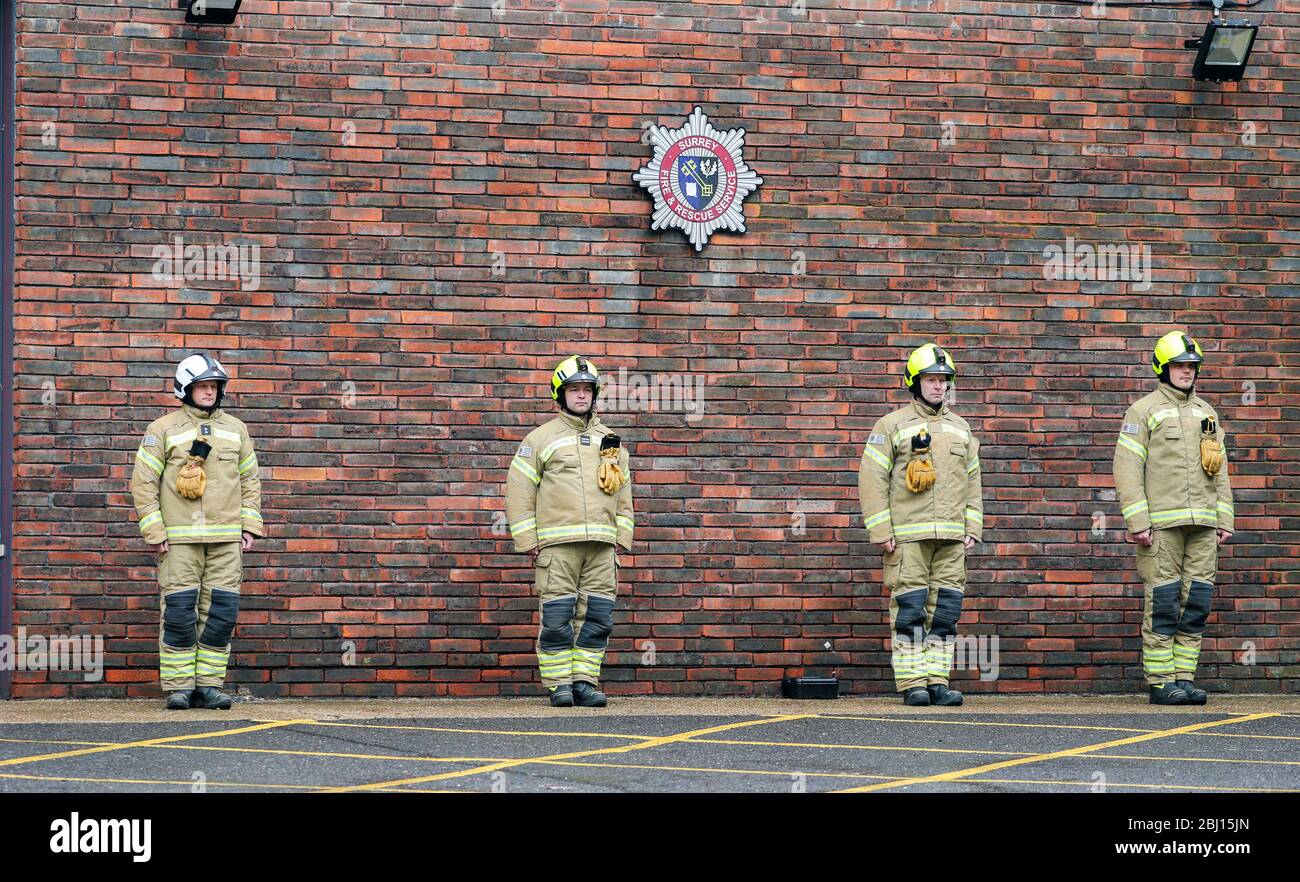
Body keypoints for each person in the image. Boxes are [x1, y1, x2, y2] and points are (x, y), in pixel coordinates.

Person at [130, 353, 264, 710]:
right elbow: (143, 483)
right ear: (185, 389)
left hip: (225, 540)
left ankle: (208, 686)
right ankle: (178, 687)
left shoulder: (236, 429)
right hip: (180, 540)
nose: (209, 391)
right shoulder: (163, 429)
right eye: (202, 386)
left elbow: (251, 481)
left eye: (214, 386)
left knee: (220, 614)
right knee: (179, 612)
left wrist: (250, 525)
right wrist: (155, 529)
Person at [858, 343, 983, 706]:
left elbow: (972, 480)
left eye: (943, 380)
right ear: (914, 381)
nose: (938, 386)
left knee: (945, 610)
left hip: (951, 536)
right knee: (911, 607)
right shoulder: (892, 425)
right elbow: (872, 479)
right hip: (908, 537)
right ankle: (913, 682)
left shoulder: (960, 428)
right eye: (931, 379)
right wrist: (881, 531)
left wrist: (972, 527)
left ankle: (937, 681)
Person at [505, 357, 634, 708]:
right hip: (557, 545)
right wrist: (529, 541)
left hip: (601, 548)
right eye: (574, 389)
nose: (581, 395)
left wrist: (621, 538)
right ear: (560, 395)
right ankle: (559, 684)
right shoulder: (540, 439)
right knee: (559, 616)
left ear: (595, 394)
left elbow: (623, 492)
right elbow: (519, 490)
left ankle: (585, 682)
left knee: (596, 617)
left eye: (587, 389)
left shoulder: (610, 440)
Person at [1113, 331, 1233, 706]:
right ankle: (1161, 680)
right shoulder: (1143, 411)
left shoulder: (1206, 413)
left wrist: (1224, 518)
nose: (1187, 372)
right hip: (1161, 526)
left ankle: (1184, 677)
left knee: (1195, 602)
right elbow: (1127, 468)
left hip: (1203, 525)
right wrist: (1139, 522)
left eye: (1192, 366)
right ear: (1162, 369)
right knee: (1164, 603)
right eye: (1179, 366)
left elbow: (1221, 470)